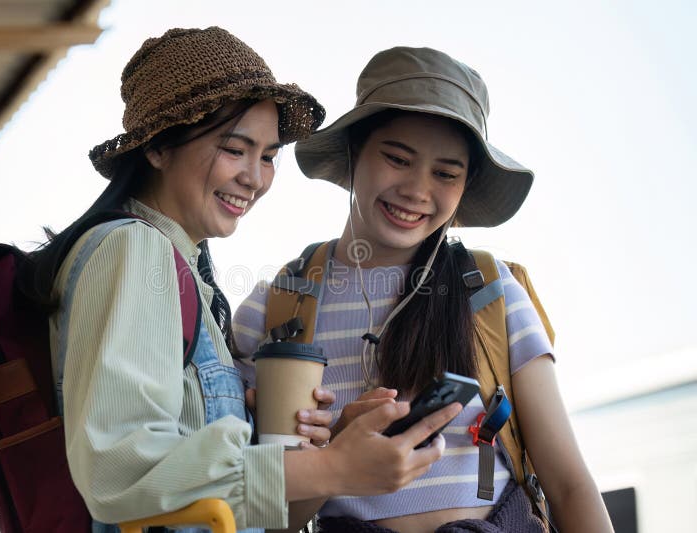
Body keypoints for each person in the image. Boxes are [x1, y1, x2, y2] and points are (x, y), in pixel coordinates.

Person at [19, 27, 462, 533]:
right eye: (235, 149)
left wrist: (332, 445)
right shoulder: (134, 249)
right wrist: (330, 467)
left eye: (268, 156)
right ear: (158, 148)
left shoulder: (183, 271)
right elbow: (122, 471)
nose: (255, 177)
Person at [233, 46, 614, 532]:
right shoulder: (276, 307)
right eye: (397, 158)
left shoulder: (491, 292)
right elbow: (273, 520)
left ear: (465, 185)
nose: (417, 190)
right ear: (355, 153)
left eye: (445, 173)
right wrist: (336, 455)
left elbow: (568, 485)